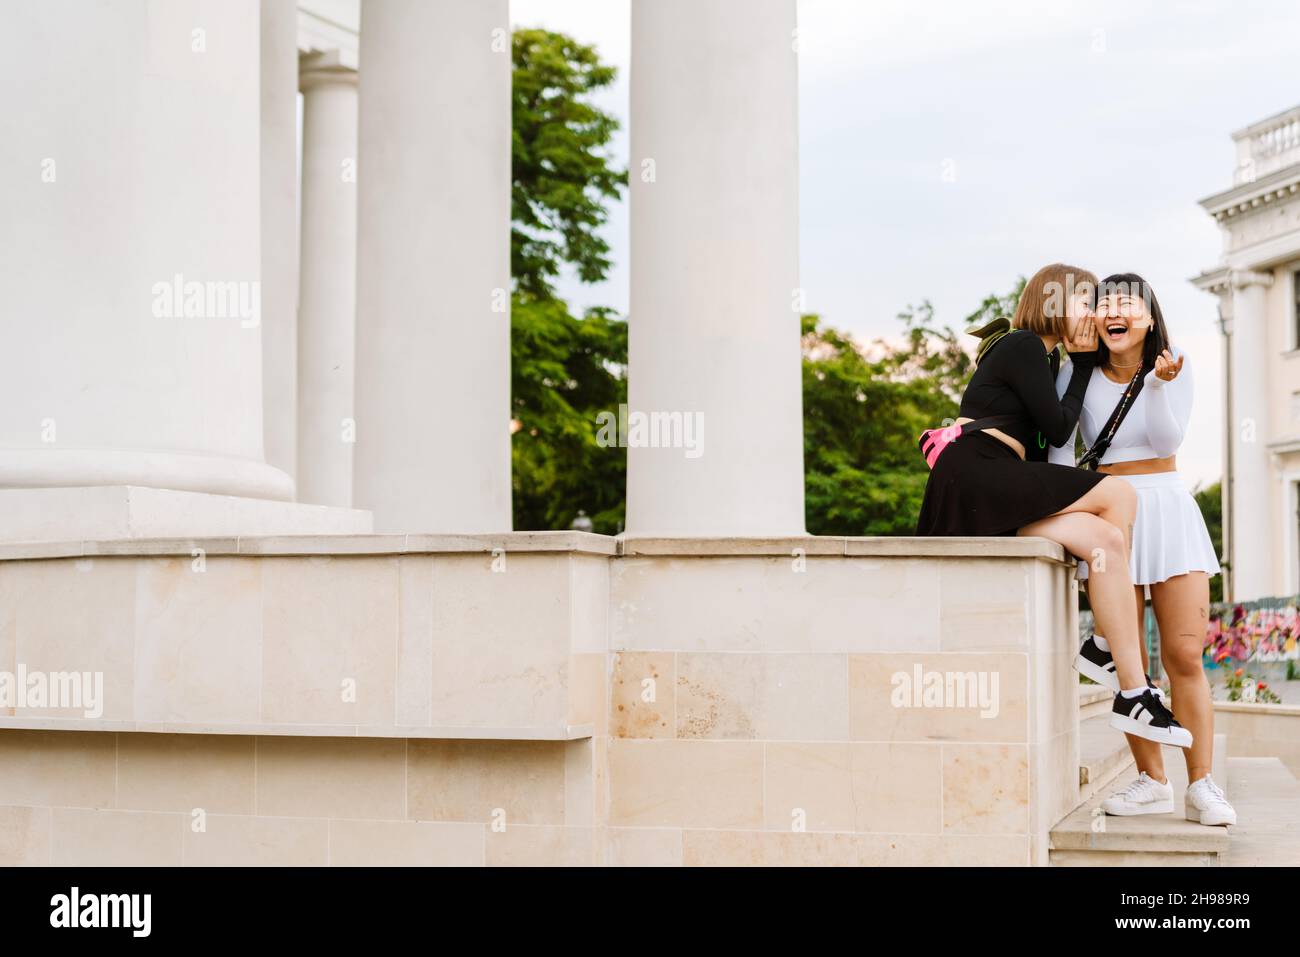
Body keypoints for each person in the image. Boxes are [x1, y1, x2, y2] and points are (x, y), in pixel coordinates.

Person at [917, 262, 1192, 748]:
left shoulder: (1044, 362)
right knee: (1118, 493)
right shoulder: (1022, 344)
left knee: (1104, 537)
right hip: (978, 475)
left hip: (997, 489)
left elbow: (1050, 444)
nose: (1093, 315)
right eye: (1087, 302)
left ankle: (1132, 690)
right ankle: (1103, 644)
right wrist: (1085, 363)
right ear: (1053, 303)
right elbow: (1063, 429)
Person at [1051, 273, 1234, 825]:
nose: (1114, 310)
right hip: (1109, 514)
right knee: (1125, 661)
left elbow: (1167, 441)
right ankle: (1151, 781)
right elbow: (1061, 453)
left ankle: (1201, 784)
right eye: (1105, 302)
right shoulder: (1072, 373)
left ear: (1149, 319)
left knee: (1183, 657)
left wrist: (1156, 384)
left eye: (1128, 303)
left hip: (1169, 509)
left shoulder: (1174, 362)